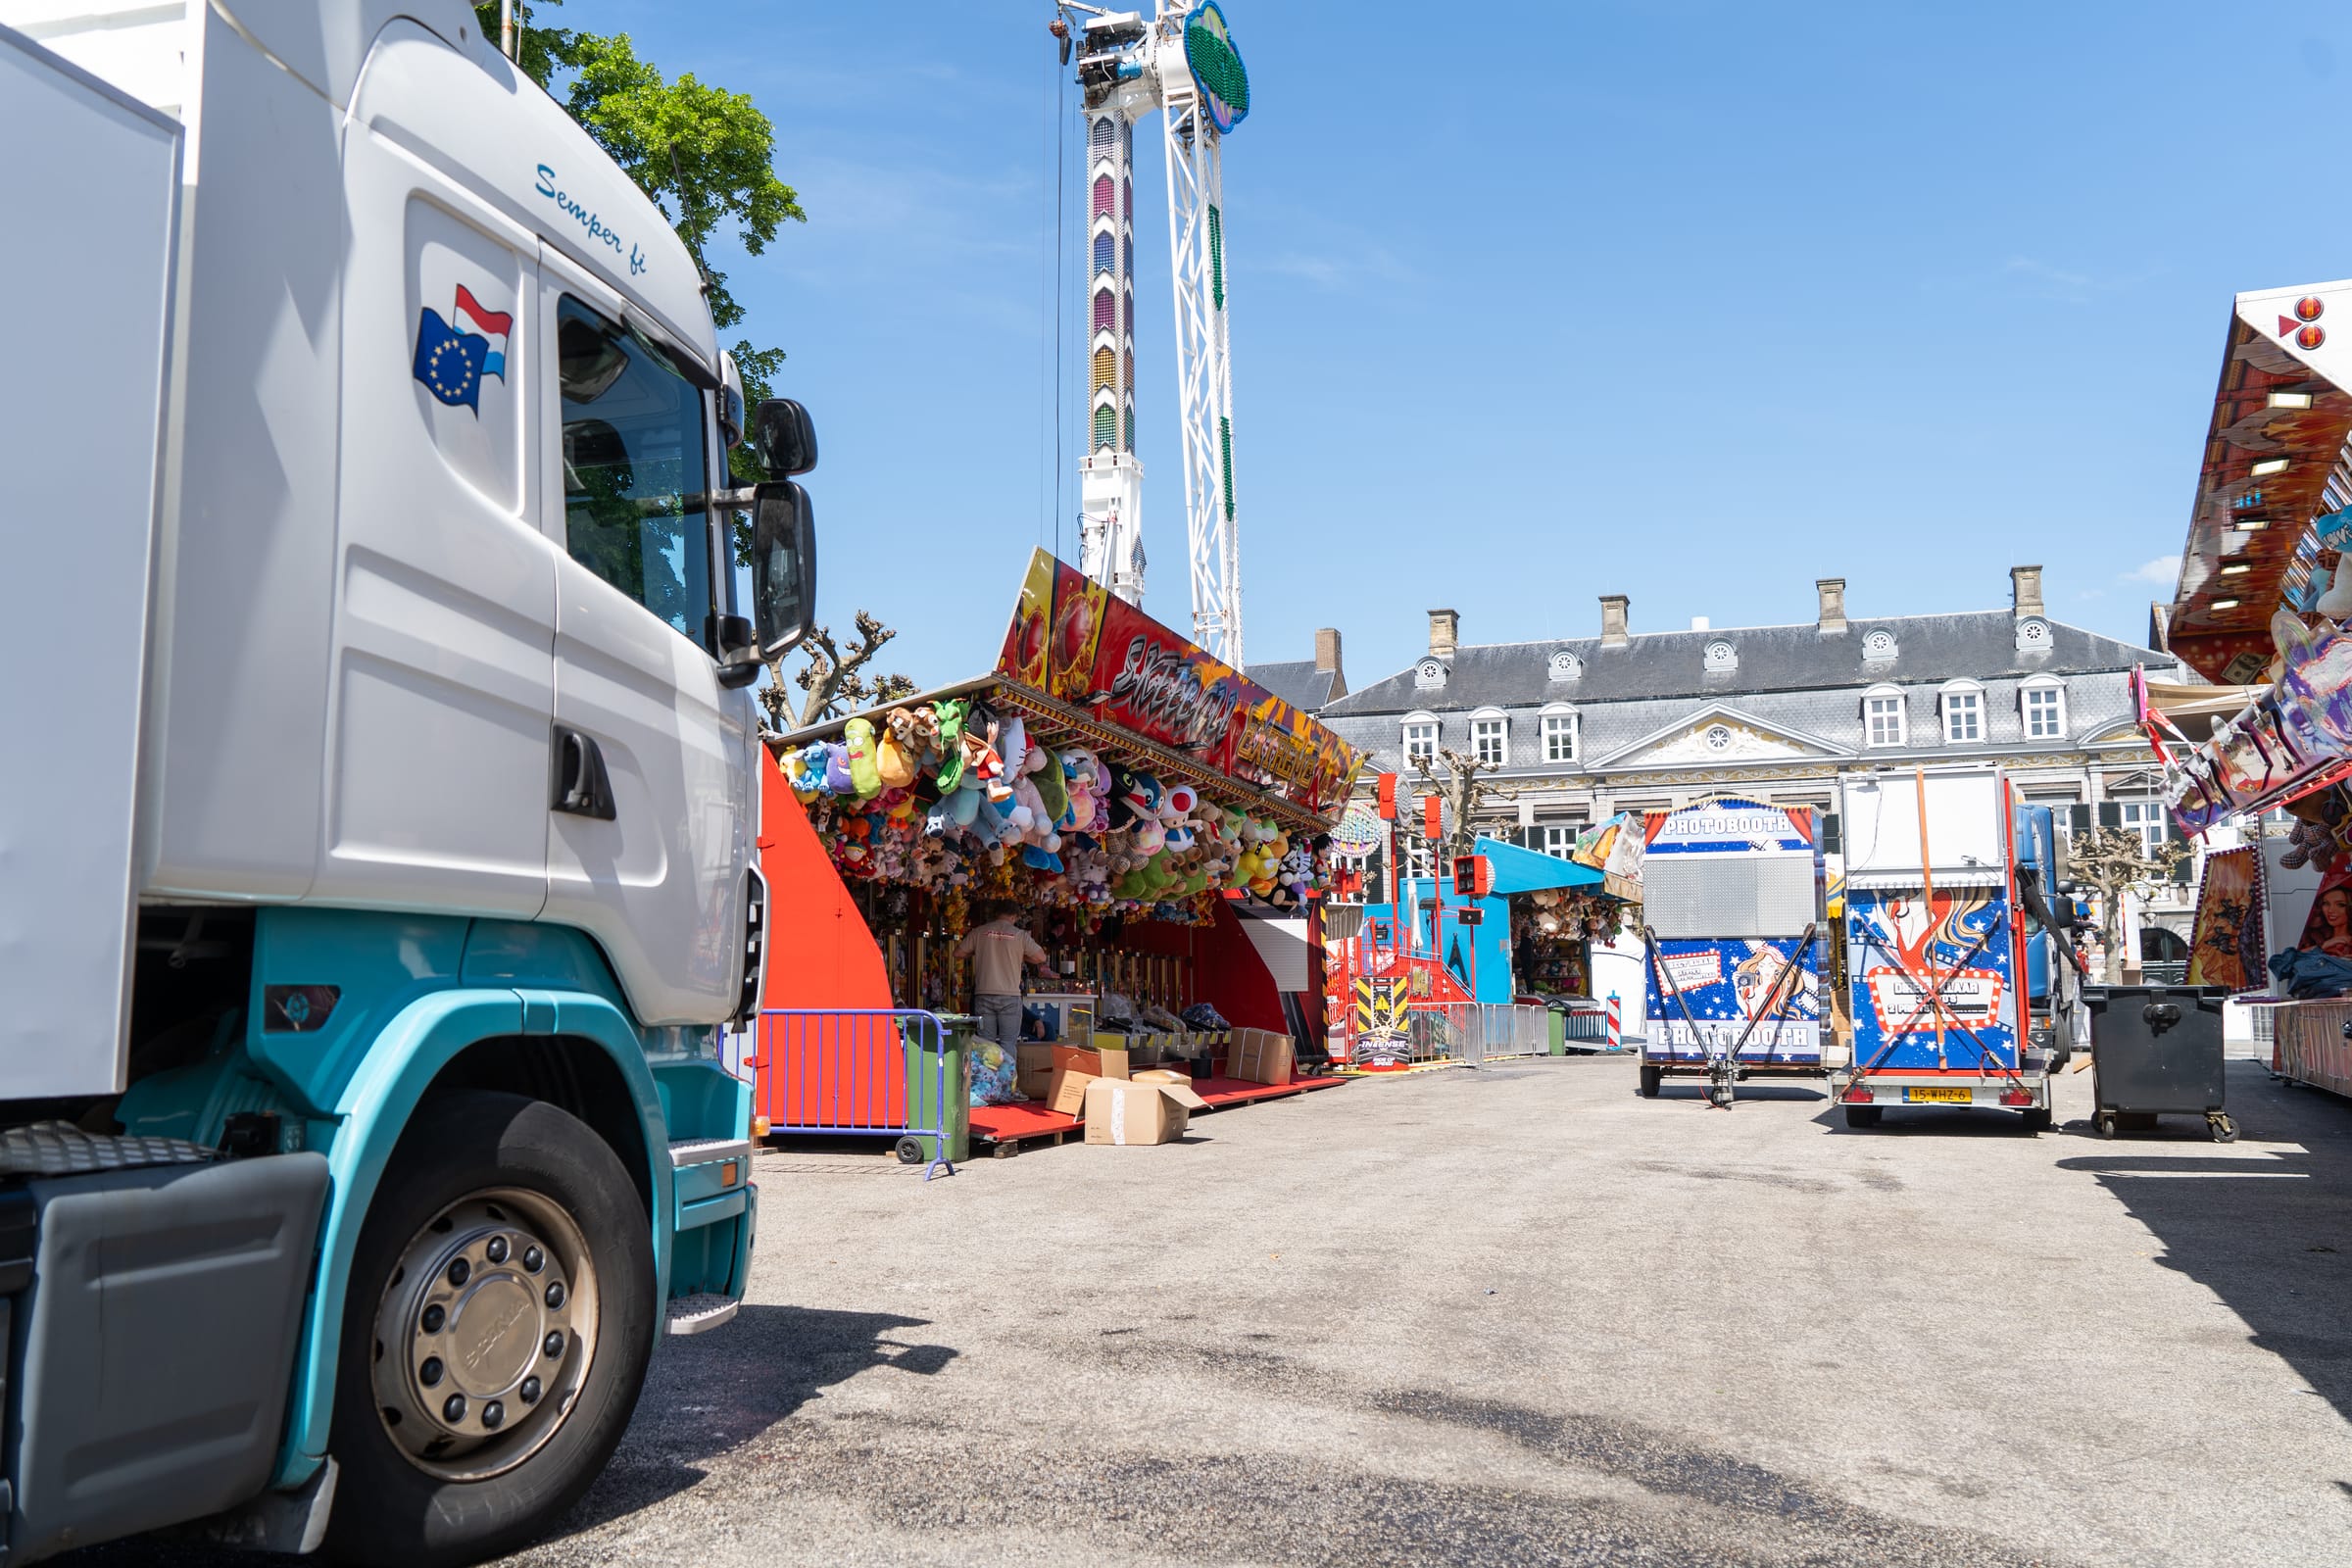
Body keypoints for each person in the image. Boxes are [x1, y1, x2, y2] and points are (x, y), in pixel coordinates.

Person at [955, 905, 1047, 1046]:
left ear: (996, 914)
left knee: (986, 1044)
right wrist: (1021, 956)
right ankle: (1008, 1068)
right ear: (1013, 917)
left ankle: (987, 1069)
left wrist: (977, 952)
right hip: (1010, 996)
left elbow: (958, 953)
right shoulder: (1019, 935)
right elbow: (1041, 957)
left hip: (984, 994)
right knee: (1008, 1042)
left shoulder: (979, 932)